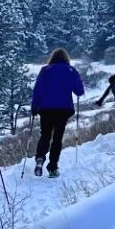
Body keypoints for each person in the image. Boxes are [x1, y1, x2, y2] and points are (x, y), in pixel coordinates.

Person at [29, 48, 84, 177]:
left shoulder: (45, 70)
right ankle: (53, 167)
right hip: (63, 109)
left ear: (52, 58)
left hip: (46, 109)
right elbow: (79, 91)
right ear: (66, 58)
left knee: (45, 135)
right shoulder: (71, 70)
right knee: (57, 138)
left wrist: (34, 107)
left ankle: (40, 158)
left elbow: (37, 89)